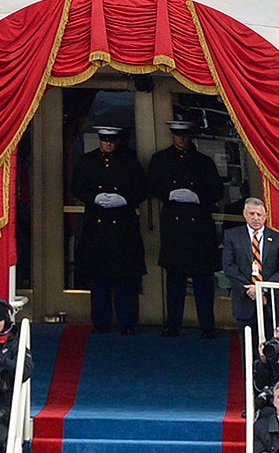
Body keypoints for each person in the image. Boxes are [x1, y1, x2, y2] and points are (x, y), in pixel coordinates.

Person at [146, 119, 223, 339]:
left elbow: (217, 190)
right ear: (172, 135)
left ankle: (207, 325)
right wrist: (168, 194)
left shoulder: (203, 161)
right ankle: (173, 324)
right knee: (175, 279)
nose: (181, 139)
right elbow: (152, 184)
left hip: (199, 226)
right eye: (177, 135)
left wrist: (198, 197)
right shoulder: (161, 159)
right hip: (175, 225)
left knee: (203, 280)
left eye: (185, 135)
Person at [70, 125, 148, 335]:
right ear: (99, 140)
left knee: (125, 279)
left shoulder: (129, 161)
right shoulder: (87, 161)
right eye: (105, 140)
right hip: (97, 227)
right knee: (99, 278)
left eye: (112, 140)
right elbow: (77, 186)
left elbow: (141, 188)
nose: (108, 144)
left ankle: (128, 321)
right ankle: (100, 321)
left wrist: (124, 199)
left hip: (123, 227)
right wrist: (93, 197)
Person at [221, 196, 279, 335]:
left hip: (270, 303)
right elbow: (229, 266)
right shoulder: (232, 236)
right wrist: (250, 290)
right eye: (252, 214)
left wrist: (262, 289)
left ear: (265, 216)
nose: (255, 218)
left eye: (259, 215)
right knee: (248, 344)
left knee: (272, 344)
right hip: (244, 302)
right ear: (244, 214)